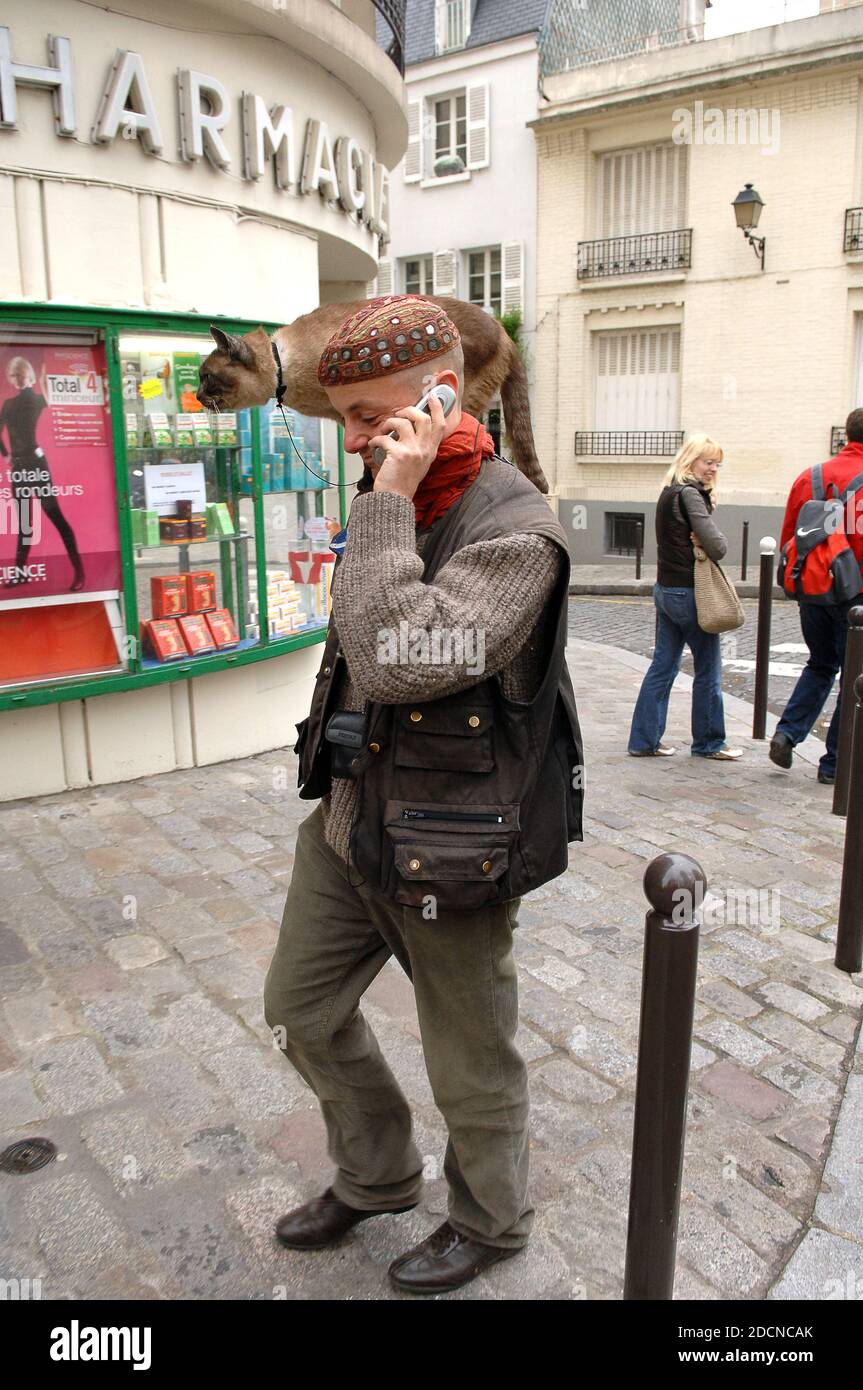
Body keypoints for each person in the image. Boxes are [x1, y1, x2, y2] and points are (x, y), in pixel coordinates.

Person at [263, 295, 584, 1295]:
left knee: (468, 1059)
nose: (351, 436)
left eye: (366, 416)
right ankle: (378, 1172)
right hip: (350, 816)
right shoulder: (389, 492)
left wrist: (385, 499)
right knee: (301, 1009)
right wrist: (387, 495)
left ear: (440, 397)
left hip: (452, 837)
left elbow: (400, 655)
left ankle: (490, 1220)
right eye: (343, 413)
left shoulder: (515, 530)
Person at [627, 434, 742, 760]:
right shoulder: (691, 495)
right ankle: (709, 743)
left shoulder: (669, 492)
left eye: (717, 463)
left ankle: (643, 741)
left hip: (666, 590)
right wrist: (707, 535)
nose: (713, 469)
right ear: (690, 460)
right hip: (691, 593)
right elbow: (718, 546)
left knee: (663, 667)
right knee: (707, 669)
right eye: (708, 462)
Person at [769, 408, 863, 784]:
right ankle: (834, 765)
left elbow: (789, 536)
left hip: (814, 590)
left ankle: (788, 733)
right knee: (853, 675)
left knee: (820, 664)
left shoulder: (810, 477)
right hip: (856, 594)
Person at [0, 356, 85, 592]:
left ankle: (79, 572)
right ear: (12, 378)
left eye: (21, 374)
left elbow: (54, 398)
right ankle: (20, 573)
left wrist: (7, 455)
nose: (18, 379)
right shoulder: (15, 403)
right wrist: (7, 456)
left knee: (54, 517)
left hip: (34, 465)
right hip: (22, 467)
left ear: (28, 376)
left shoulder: (35, 400)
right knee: (24, 524)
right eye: (15, 375)